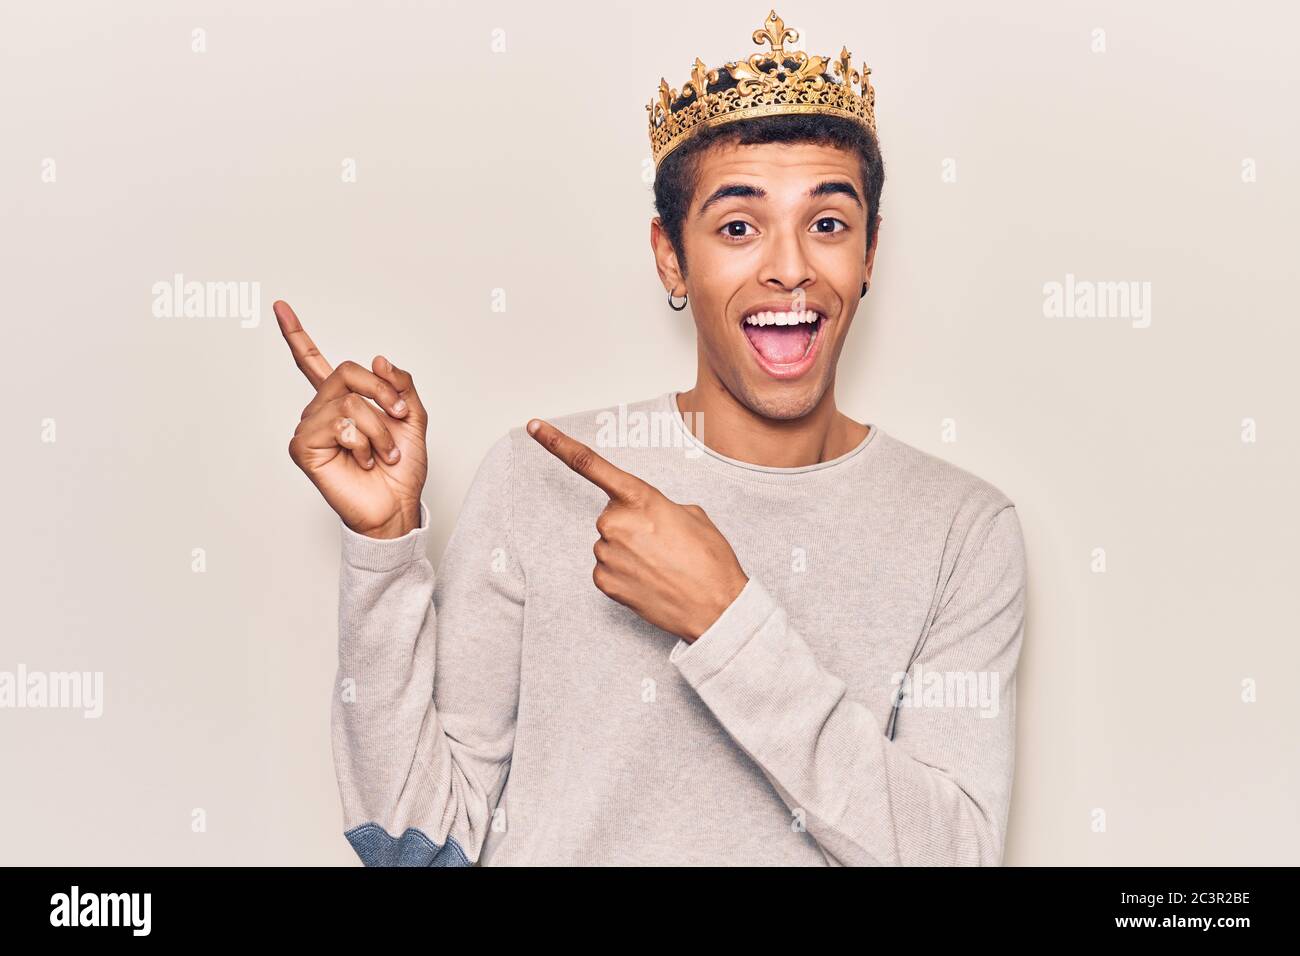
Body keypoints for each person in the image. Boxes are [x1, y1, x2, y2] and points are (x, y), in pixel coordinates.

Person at [277, 10, 1026, 866]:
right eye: (738, 226)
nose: (790, 266)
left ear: (869, 253)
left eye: (827, 224)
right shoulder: (539, 478)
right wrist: (382, 548)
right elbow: (413, 847)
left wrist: (724, 618)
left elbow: (955, 858)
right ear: (670, 257)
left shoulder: (965, 529)